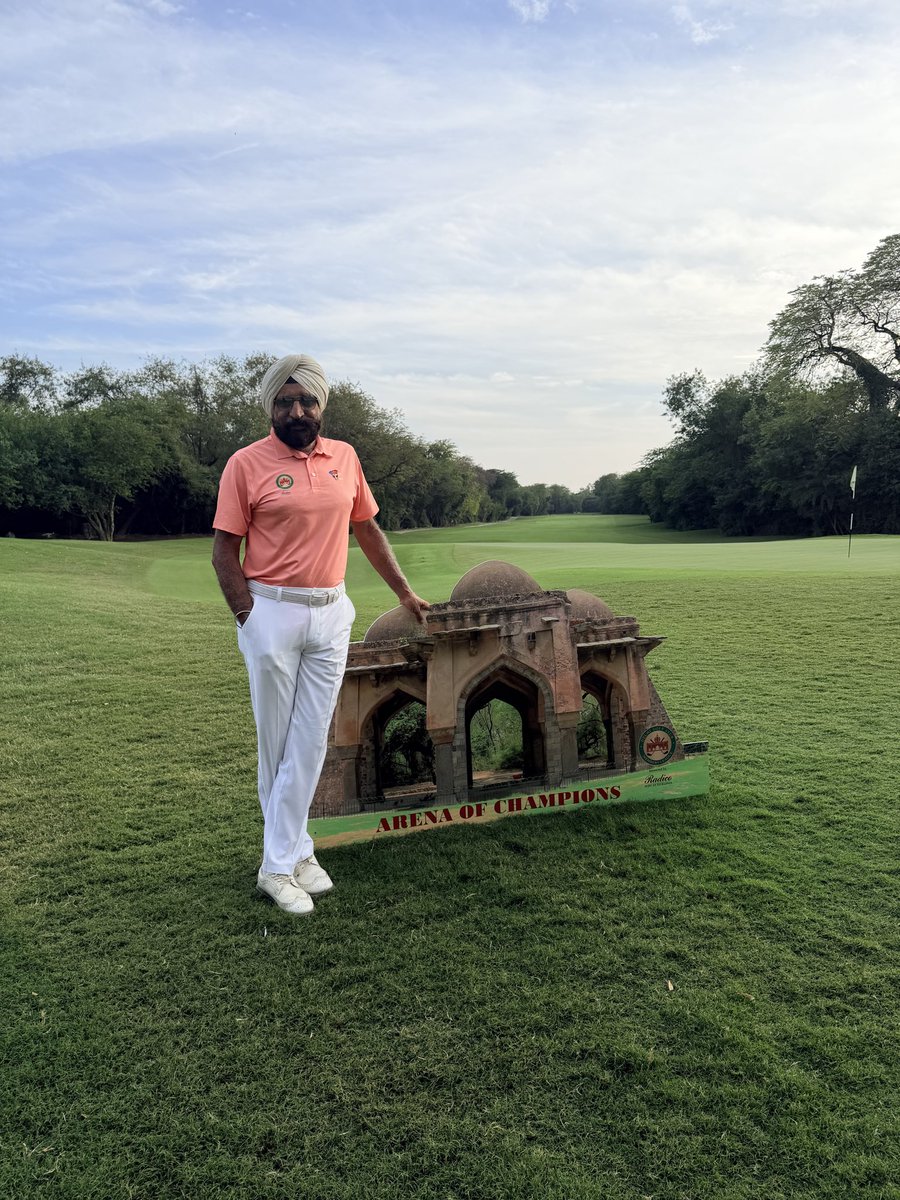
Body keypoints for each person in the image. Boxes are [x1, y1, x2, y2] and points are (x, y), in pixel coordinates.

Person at [212, 354, 429, 915]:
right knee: (278, 746)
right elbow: (223, 549)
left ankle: (292, 853)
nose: (297, 410)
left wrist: (404, 593)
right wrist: (248, 617)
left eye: (307, 400)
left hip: (331, 612)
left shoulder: (346, 458)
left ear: (321, 405)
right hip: (272, 612)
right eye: (285, 402)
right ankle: (281, 865)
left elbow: (367, 528)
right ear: (271, 408)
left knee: (310, 742)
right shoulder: (245, 463)